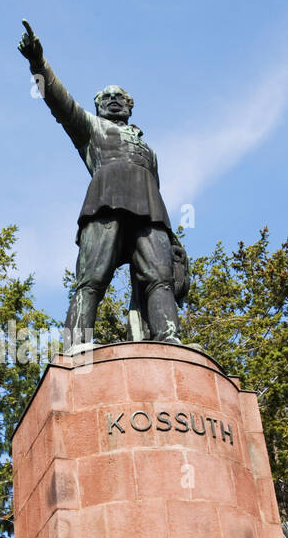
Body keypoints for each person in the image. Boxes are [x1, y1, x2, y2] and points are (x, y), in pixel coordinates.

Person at [17, 19, 185, 347]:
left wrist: (173, 238)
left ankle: (168, 338)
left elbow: (159, 189)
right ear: (97, 106)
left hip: (150, 213)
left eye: (120, 97)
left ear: (131, 106)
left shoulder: (148, 150)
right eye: (106, 97)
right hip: (104, 204)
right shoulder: (92, 129)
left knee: (160, 278)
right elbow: (60, 103)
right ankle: (77, 343)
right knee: (92, 277)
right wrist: (38, 64)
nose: (113, 100)